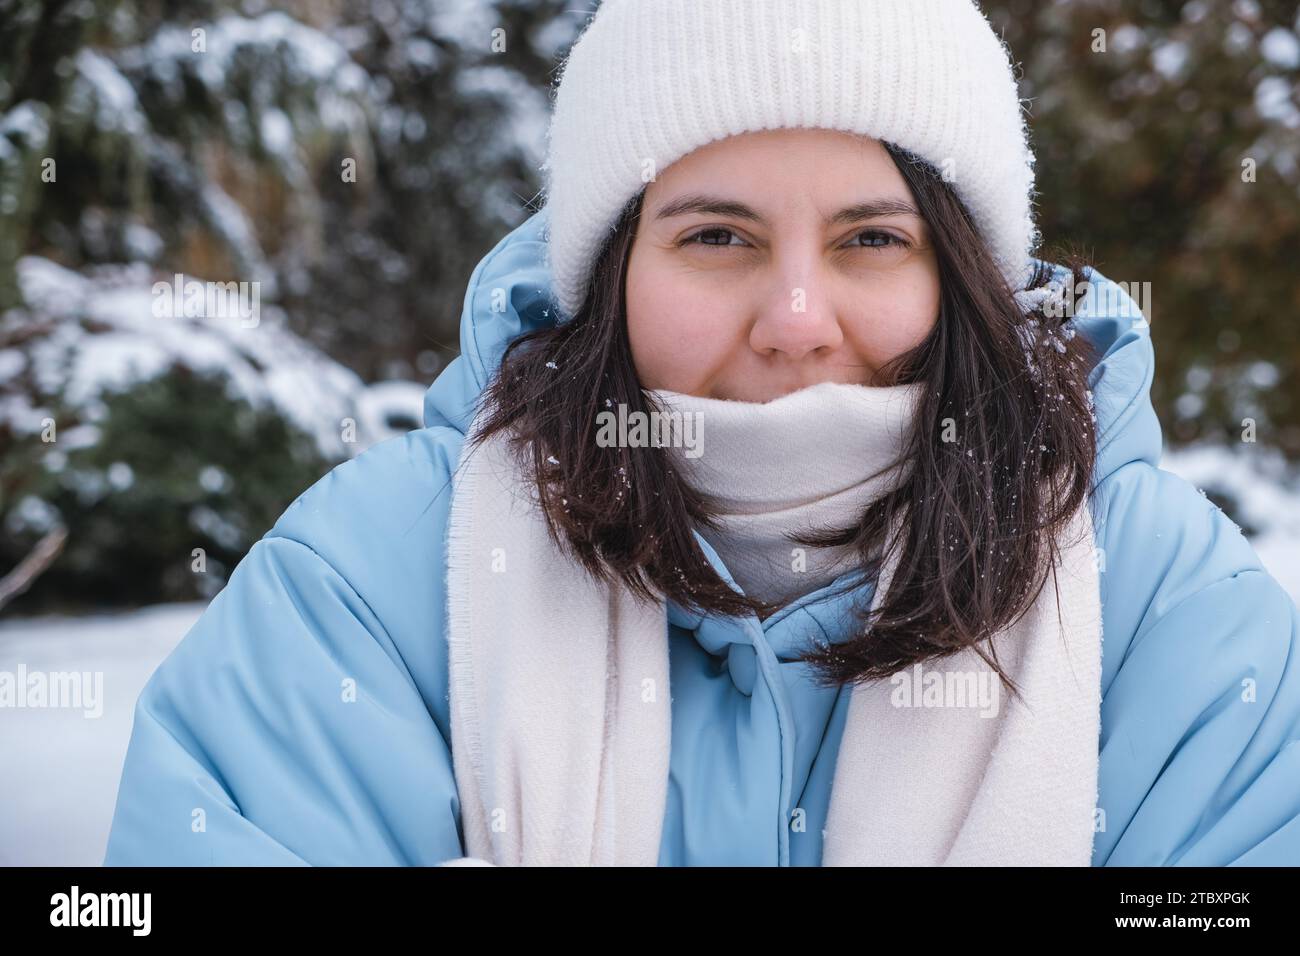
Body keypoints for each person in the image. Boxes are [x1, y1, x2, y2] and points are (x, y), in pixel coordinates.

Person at [104, 0, 1300, 866]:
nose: (794, 320)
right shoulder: (370, 584)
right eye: (715, 237)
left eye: (872, 239)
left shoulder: (1162, 607)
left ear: (965, 278)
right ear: (608, 274)